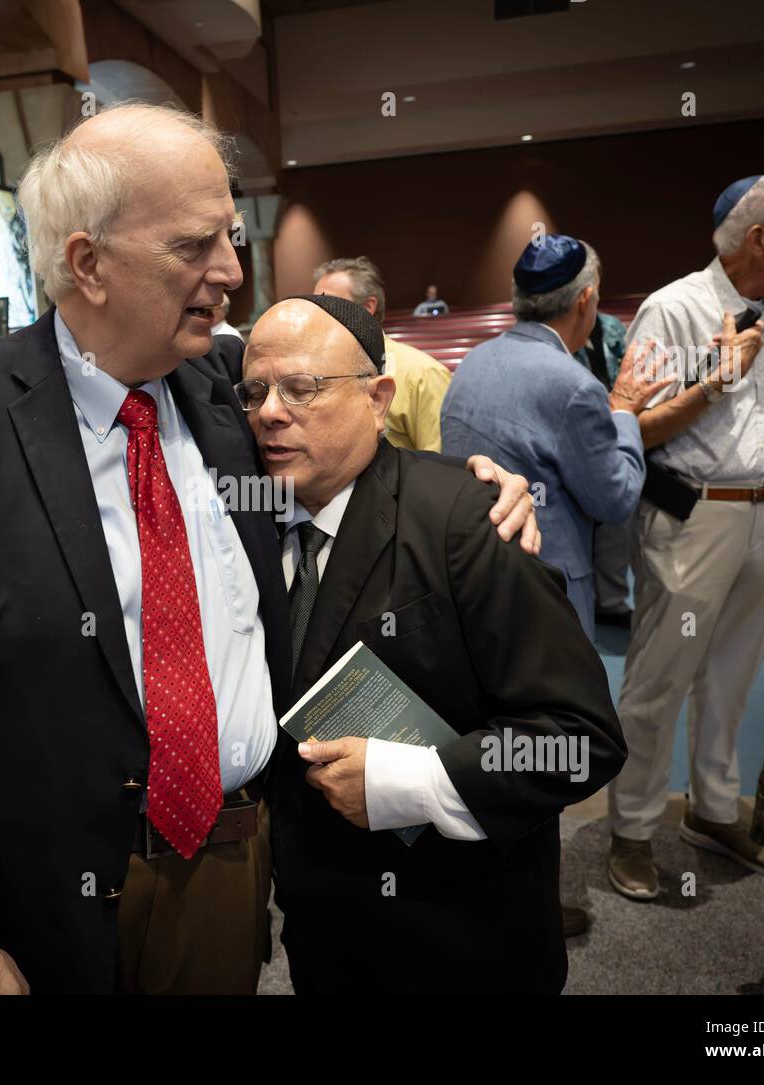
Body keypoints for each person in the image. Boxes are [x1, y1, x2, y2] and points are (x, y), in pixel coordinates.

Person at [0, 102, 538, 996]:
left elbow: (354, 467)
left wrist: (475, 487)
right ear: (89, 263)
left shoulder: (228, 393)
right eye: (195, 245)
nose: (232, 270)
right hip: (40, 905)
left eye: (230, 237)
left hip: (232, 866)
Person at [238, 294, 626, 993]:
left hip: (461, 937)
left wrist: (412, 783)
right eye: (255, 392)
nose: (270, 411)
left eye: (301, 387)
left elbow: (580, 738)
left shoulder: (468, 517)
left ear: (378, 398)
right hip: (323, 931)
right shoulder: (250, 525)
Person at [607, 171, 764, 901]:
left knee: (733, 675)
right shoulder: (673, 309)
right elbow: (633, 427)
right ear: (757, 238)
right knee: (659, 679)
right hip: (695, 516)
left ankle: (712, 807)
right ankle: (632, 828)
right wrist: (717, 379)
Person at [441, 235, 669, 641]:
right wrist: (624, 411)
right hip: (547, 581)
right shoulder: (575, 385)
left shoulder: (474, 360)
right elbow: (614, 500)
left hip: (472, 570)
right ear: (585, 299)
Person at [313, 255, 451, 451]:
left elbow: (440, 462)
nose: (317, 313)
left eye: (330, 303)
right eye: (316, 304)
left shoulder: (423, 374)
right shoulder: (315, 371)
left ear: (368, 307)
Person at [574, 311, 638, 628]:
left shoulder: (610, 326)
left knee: (616, 516)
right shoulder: (559, 335)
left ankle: (611, 600)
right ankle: (583, 599)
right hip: (578, 432)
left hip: (612, 427)